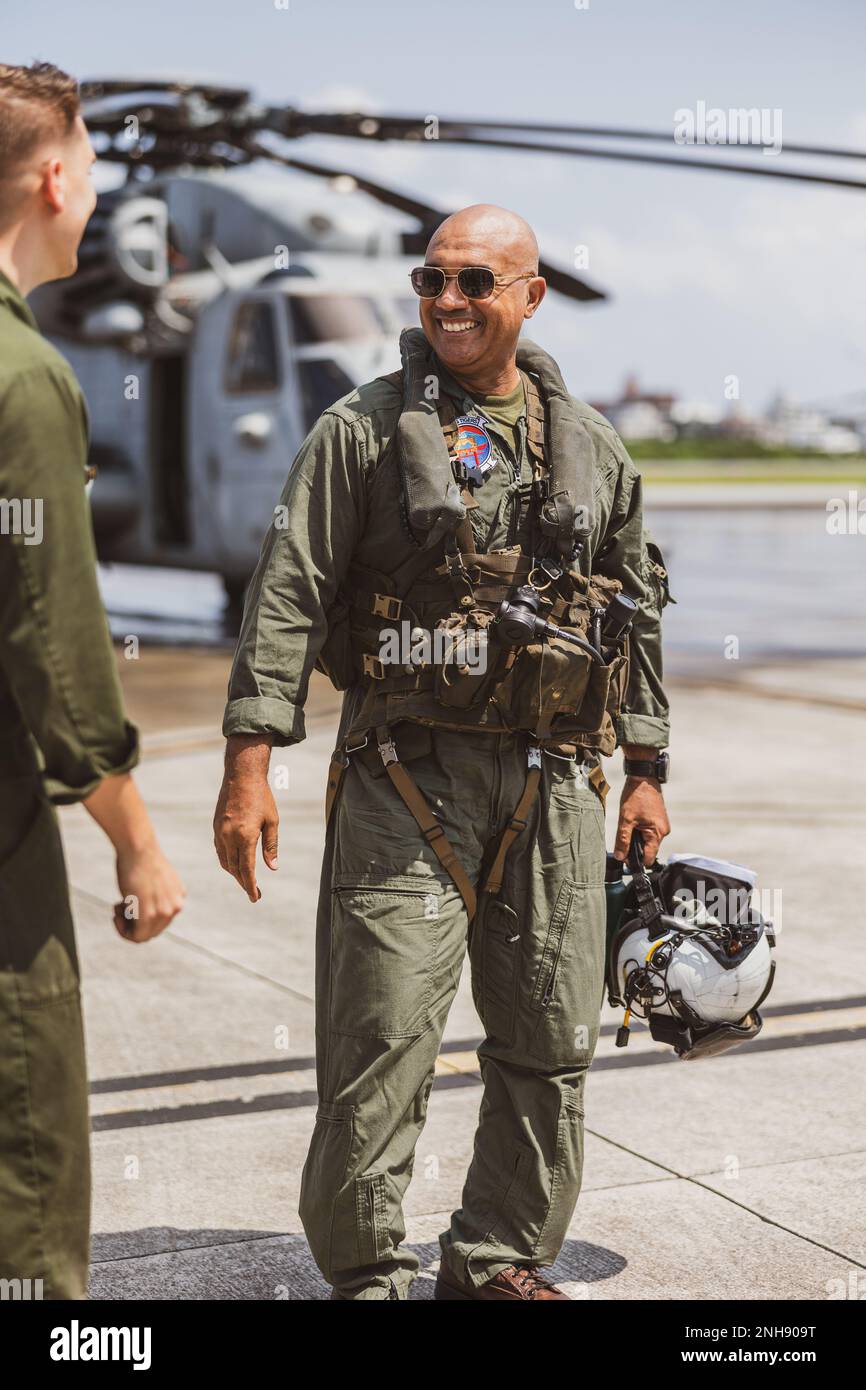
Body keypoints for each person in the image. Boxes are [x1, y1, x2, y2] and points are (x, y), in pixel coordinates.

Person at [214, 203, 672, 1301]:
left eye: (475, 281)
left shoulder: (593, 449)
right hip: (403, 775)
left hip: (555, 780)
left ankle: (497, 1255)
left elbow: (637, 609)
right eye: (431, 281)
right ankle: (366, 1270)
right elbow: (287, 596)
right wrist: (246, 762)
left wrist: (647, 766)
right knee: (381, 1039)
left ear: (528, 296)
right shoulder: (362, 432)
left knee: (551, 1036)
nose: (449, 302)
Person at [0, 61, 185, 1300]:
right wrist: (131, 831)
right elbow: (55, 642)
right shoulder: (24, 378)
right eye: (91, 177)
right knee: (27, 1121)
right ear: (56, 177)